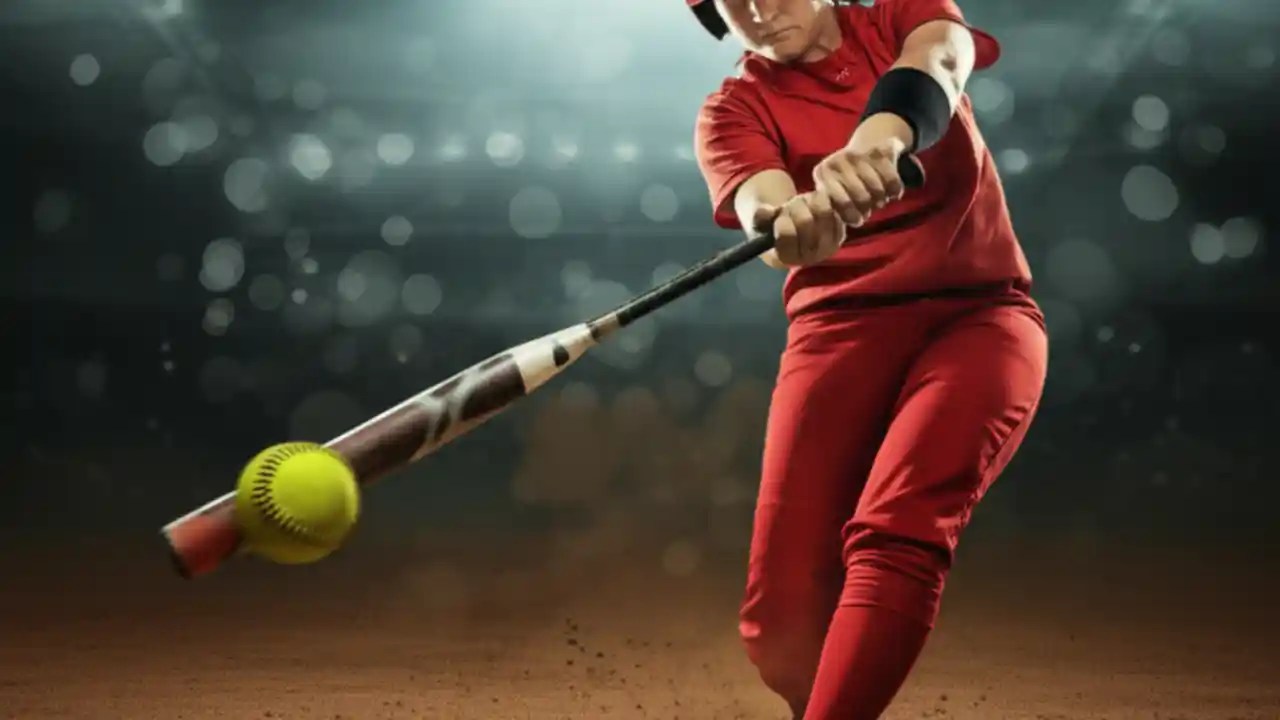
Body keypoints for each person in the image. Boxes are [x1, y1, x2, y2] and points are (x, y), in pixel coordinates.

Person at [688, 1, 1049, 718]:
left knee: (899, 529)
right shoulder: (732, 110)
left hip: (977, 317)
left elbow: (939, 61)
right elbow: (763, 204)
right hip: (836, 335)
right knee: (781, 628)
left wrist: (880, 144)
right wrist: (793, 223)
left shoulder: (898, 15)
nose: (759, 9)